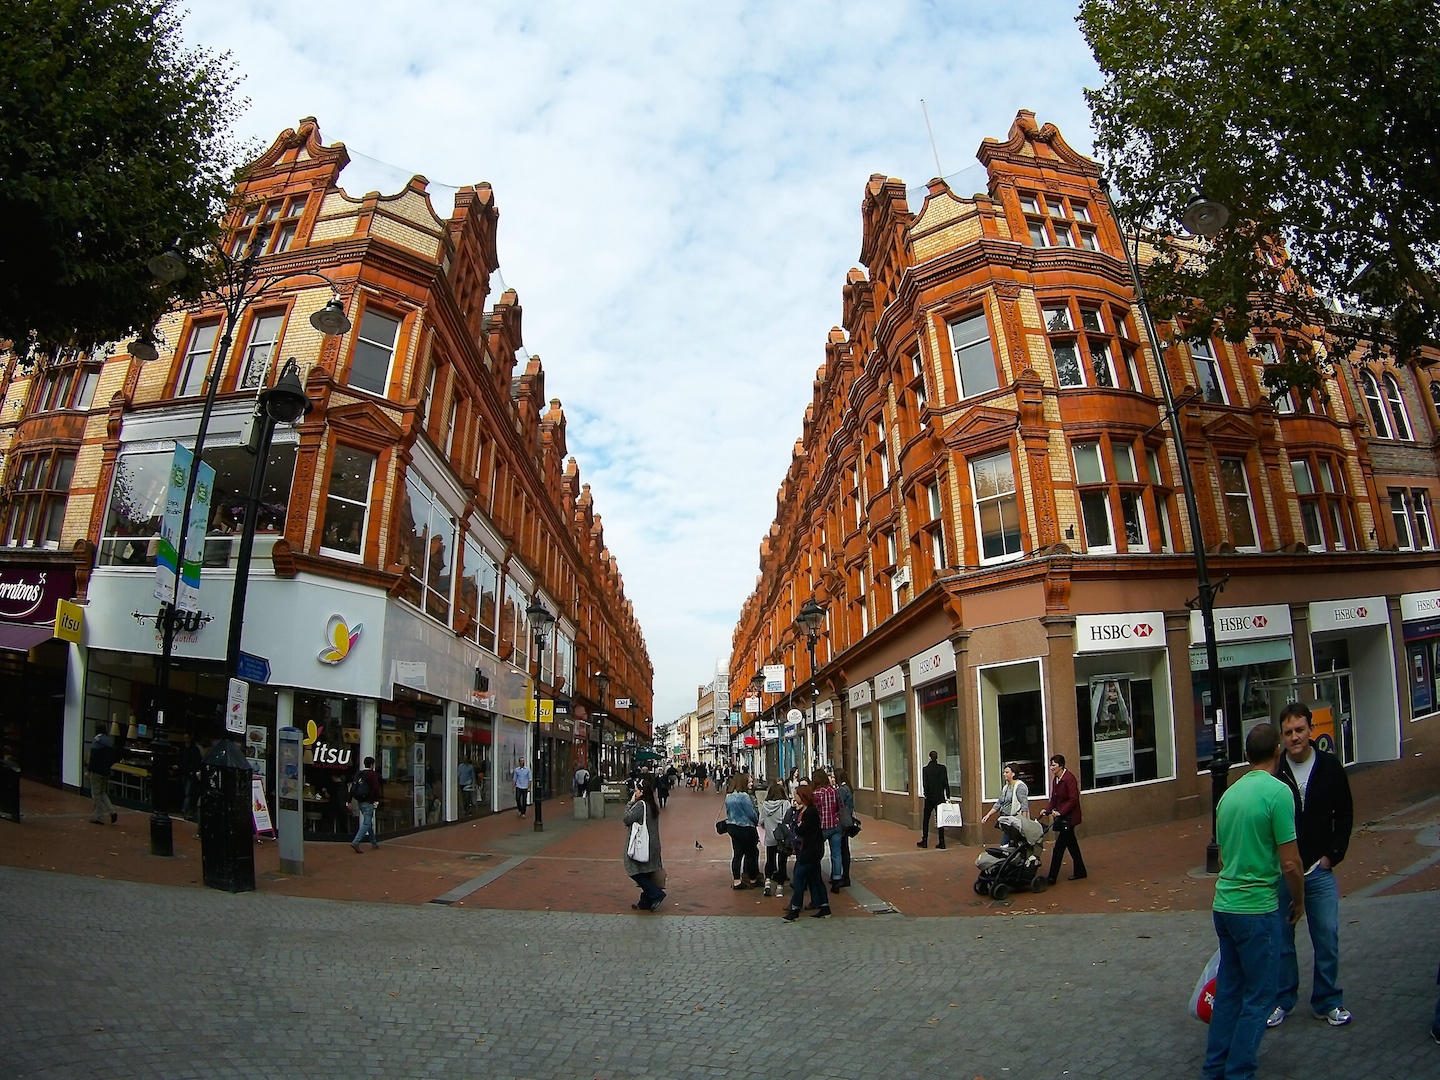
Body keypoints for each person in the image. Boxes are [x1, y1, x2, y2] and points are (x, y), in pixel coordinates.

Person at [1204, 723, 1305, 1080]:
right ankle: (1239, 1071)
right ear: (1277, 752)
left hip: (1225, 905)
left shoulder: (1227, 797)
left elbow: (1223, 855)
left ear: (1246, 757)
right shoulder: (1278, 793)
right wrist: (1299, 901)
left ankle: (1214, 1067)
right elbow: (1290, 862)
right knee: (1259, 996)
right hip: (1257, 907)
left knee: (1230, 990)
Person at [1268, 702, 1355, 1029]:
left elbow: (1344, 815)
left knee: (1327, 938)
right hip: (1282, 874)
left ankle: (1328, 1000)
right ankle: (1282, 999)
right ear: (1281, 737)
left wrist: (1332, 856)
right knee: (1281, 939)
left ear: (1311, 730)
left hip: (1318, 872)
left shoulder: (1330, 767)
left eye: (1300, 730)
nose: (1295, 737)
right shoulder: (1276, 773)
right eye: (1288, 732)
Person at [783, 782, 829, 920]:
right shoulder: (804, 810)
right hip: (808, 850)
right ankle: (825, 907)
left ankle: (795, 908)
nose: (794, 798)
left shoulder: (810, 812)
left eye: (796, 796)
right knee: (815, 879)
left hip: (809, 851)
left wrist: (797, 824)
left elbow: (800, 829)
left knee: (798, 878)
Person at [1041, 754, 1087, 883]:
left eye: (1054, 765)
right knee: (1072, 845)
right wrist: (1047, 809)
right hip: (1062, 817)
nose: (1051, 768)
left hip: (1069, 818)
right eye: (1051, 765)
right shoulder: (1056, 780)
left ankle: (1052, 877)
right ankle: (1080, 871)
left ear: (1061, 766)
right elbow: (1054, 798)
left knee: (1058, 848)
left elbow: (1073, 799)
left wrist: (1060, 812)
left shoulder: (1069, 779)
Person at [622, 774, 665, 911]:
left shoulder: (640, 805)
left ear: (641, 792)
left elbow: (626, 818)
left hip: (642, 845)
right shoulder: (652, 805)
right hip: (653, 844)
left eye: (636, 791)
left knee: (635, 870)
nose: (634, 793)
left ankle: (656, 894)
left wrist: (631, 802)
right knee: (646, 872)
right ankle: (644, 902)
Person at [725, 772, 761, 888]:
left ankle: (737, 881)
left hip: (732, 826)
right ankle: (752, 879)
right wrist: (756, 821)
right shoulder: (744, 796)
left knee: (737, 854)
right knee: (751, 853)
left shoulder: (728, 797)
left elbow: (728, 812)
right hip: (745, 827)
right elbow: (751, 813)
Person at [810, 768, 844, 893]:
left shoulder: (816, 794)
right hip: (835, 825)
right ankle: (837, 879)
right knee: (836, 853)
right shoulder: (834, 791)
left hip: (822, 827)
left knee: (816, 853)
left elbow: (815, 811)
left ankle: (815, 876)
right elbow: (840, 807)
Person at [759, 779, 791, 897]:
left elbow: (760, 821)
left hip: (770, 837)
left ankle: (767, 882)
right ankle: (779, 887)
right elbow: (788, 819)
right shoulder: (785, 804)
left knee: (770, 860)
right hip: (781, 837)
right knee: (782, 862)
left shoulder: (765, 805)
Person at [917, 750, 951, 849]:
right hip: (940, 797)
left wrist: (926, 794)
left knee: (926, 819)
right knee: (940, 820)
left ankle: (925, 840)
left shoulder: (926, 769)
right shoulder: (942, 768)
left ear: (929, 757)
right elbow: (946, 783)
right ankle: (942, 841)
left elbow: (925, 784)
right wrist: (947, 796)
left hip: (930, 798)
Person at [981, 763, 1029, 831]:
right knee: (1009, 840)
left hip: (1016, 821)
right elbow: (999, 803)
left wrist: (1024, 823)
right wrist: (988, 815)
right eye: (1004, 772)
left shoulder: (1019, 786)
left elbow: (1024, 804)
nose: (1004, 774)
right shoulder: (1006, 787)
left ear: (1013, 774)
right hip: (1006, 820)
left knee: (1007, 841)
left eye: (1007, 772)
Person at [86, 730, 118, 825]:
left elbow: (93, 757)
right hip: (106, 771)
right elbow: (113, 757)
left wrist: (89, 770)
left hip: (96, 771)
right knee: (102, 792)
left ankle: (99, 817)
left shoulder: (97, 741)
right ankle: (112, 811)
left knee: (96, 794)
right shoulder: (109, 742)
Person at [350, 757, 382, 852]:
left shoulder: (360, 774)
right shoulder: (372, 774)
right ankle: (356, 841)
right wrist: (376, 800)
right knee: (367, 823)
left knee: (369, 823)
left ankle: (374, 842)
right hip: (368, 801)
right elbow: (375, 788)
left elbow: (353, 787)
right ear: (372, 765)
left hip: (360, 801)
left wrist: (349, 800)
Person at [834, 766, 856, 888]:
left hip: (842, 822)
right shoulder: (848, 788)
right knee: (844, 848)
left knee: (842, 849)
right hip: (847, 820)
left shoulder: (842, 790)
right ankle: (845, 875)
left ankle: (845, 876)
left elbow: (838, 804)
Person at [179, 736, 203, 819]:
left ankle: (185, 808)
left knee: (187, 792)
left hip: (189, 773)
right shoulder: (184, 748)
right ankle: (187, 808)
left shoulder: (193, 749)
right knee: (187, 792)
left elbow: (197, 760)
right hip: (185, 772)